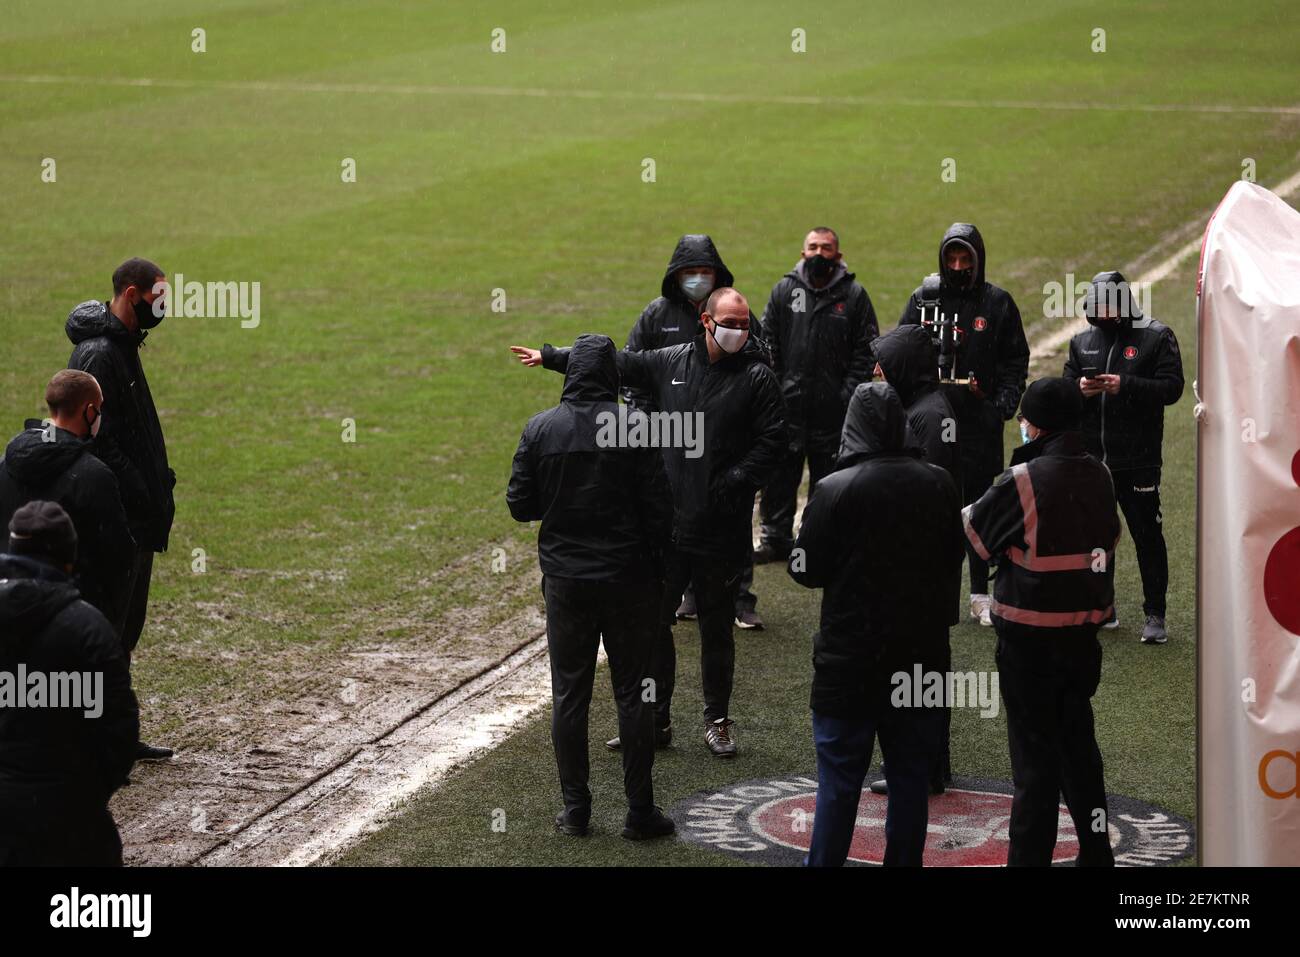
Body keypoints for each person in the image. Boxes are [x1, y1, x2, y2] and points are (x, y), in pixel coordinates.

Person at [511, 287, 786, 757]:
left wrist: (736, 480)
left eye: (744, 323)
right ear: (705, 321)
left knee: (716, 626)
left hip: (721, 527)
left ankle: (717, 720)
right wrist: (553, 356)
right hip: (669, 527)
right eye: (731, 322)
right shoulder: (671, 361)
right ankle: (656, 721)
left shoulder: (758, 378)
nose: (740, 331)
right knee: (654, 625)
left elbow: (775, 440)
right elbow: (616, 362)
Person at [507, 335, 676, 840]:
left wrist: (559, 510)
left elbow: (520, 503)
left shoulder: (540, 428)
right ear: (613, 376)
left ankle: (575, 811)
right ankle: (640, 812)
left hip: (566, 583)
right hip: (629, 581)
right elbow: (660, 511)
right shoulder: (638, 428)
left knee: (570, 695)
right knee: (634, 695)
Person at [789, 383, 964, 866]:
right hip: (921, 658)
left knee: (839, 785)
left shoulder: (834, 488)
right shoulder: (940, 482)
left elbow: (804, 570)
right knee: (910, 781)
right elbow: (954, 557)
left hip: (850, 661)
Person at [962, 378, 1120, 866]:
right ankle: (1097, 855)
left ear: (1038, 424)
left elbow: (976, 536)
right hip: (1080, 641)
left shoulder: (1023, 479)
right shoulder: (1101, 474)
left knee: (1034, 767)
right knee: (1079, 753)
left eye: (1025, 418)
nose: (1021, 425)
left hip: (1029, 644)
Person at [623, 234, 767, 630]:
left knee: (732, 521)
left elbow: (763, 364)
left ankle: (739, 598)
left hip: (723, 445)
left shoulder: (734, 312)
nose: (698, 279)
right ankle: (683, 594)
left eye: (706, 272)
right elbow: (633, 369)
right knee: (672, 521)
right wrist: (644, 420)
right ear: (677, 275)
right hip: (671, 441)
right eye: (691, 272)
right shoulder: (656, 315)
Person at [67, 257, 176, 761]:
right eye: (157, 297)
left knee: (125, 629)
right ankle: (96, 740)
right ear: (131, 293)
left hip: (137, 516)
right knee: (105, 630)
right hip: (117, 518)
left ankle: (117, 733)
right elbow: (95, 440)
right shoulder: (98, 354)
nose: (163, 307)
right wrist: (138, 489)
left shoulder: (124, 346)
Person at [899, 223, 1028, 627]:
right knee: (930, 508)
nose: (957, 266)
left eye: (965, 259)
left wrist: (997, 407)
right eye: (951, 258)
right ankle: (928, 589)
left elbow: (1014, 363)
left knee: (977, 509)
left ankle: (978, 594)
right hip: (930, 425)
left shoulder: (998, 304)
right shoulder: (924, 300)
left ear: (977, 260)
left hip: (977, 427)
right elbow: (902, 348)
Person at [0, 500, 139, 866]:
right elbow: (119, 732)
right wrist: (85, 795)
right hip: (73, 824)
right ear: (68, 558)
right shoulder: (88, 628)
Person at [1064, 271, 1184, 644]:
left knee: (1147, 534)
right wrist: (1079, 390)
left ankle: (1155, 614)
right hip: (1093, 461)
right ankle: (1103, 607)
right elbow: (1064, 391)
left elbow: (1172, 388)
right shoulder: (1081, 342)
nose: (1102, 312)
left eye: (1108, 306)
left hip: (1139, 460)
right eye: (1096, 306)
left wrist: (1124, 385)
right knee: (1097, 538)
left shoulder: (1156, 337)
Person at [869, 324, 962, 795]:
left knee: (920, 672)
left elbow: (931, 492)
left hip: (920, 572)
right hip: (925, 569)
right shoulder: (922, 408)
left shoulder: (928, 415)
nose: (876, 373)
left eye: (883, 365)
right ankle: (928, 767)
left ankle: (924, 768)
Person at [756, 227, 878, 567]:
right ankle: (775, 539)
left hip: (833, 412)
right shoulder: (784, 290)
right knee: (779, 477)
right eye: (813, 247)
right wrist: (776, 389)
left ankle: (817, 541)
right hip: (787, 408)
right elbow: (768, 343)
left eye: (827, 248)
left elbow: (866, 352)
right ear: (802, 253)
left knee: (828, 481)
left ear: (838, 256)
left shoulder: (854, 296)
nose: (819, 253)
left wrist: (846, 394)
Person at [0, 370, 135, 631]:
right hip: (70, 619)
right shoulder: (95, 476)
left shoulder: (4, 465)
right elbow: (117, 558)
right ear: (89, 409)